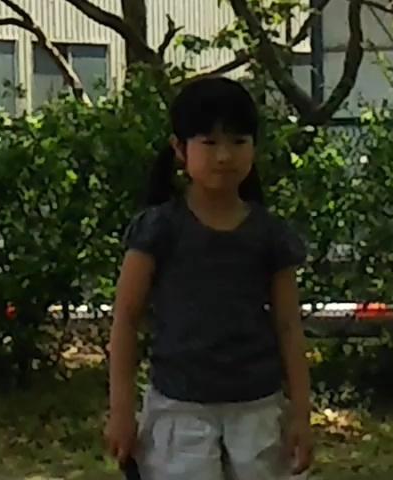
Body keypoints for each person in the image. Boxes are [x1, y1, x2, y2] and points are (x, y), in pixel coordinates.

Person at [106, 76, 313, 480]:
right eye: (209, 142)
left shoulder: (270, 234)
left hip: (258, 412)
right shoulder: (158, 229)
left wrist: (302, 416)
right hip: (178, 411)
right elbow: (126, 319)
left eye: (238, 141)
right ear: (179, 149)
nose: (224, 155)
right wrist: (121, 411)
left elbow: (289, 325)